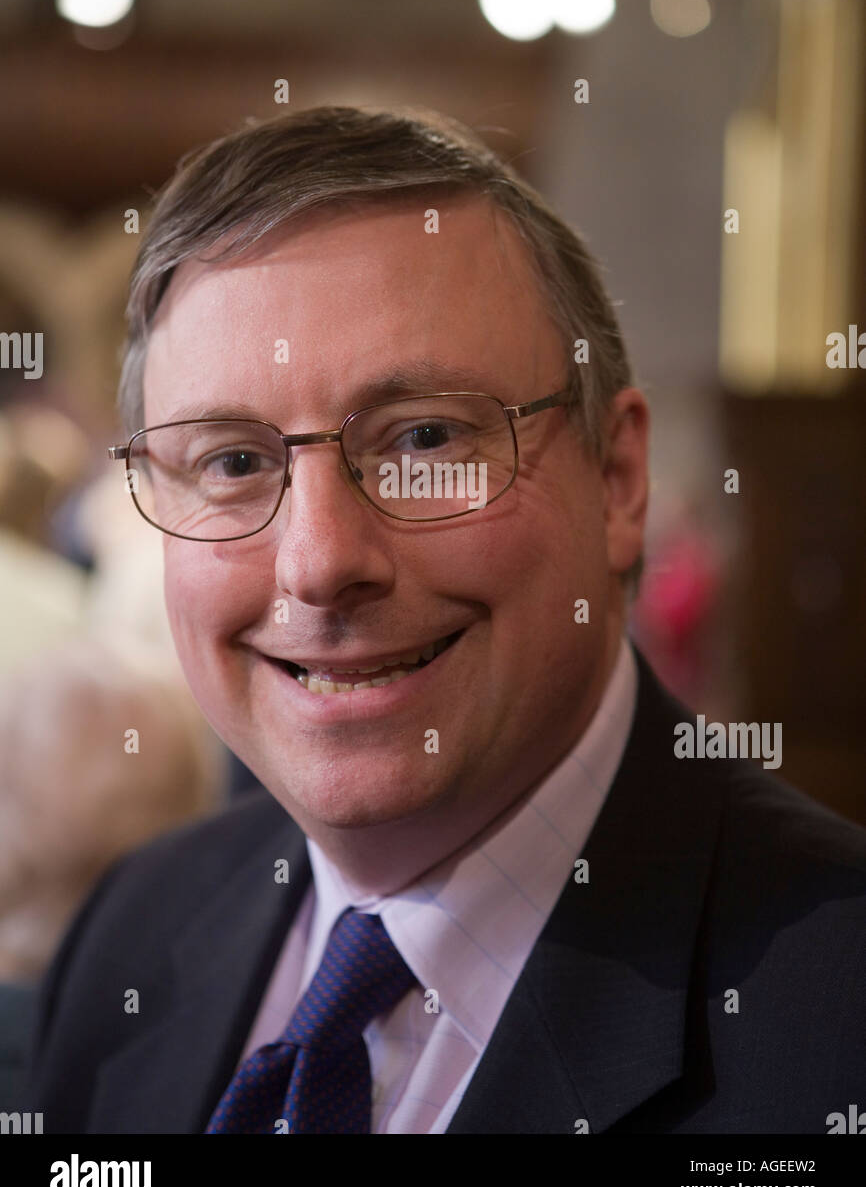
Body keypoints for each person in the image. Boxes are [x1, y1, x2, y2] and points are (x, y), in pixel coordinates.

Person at [27, 104, 866, 1134]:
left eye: (423, 438)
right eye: (234, 462)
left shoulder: (833, 1016)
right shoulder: (134, 931)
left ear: (614, 478)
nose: (321, 560)